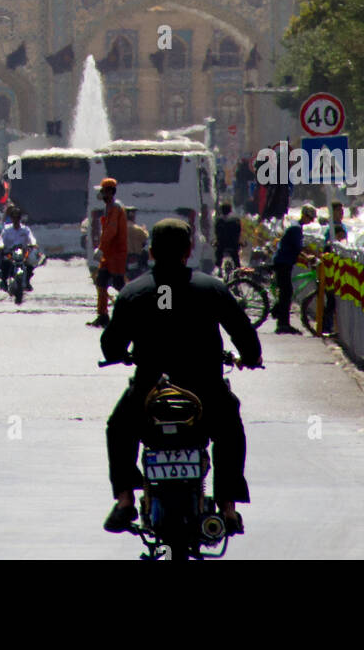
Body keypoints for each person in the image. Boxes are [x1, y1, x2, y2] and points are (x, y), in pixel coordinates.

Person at [100, 217, 263, 537]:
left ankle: (123, 501)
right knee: (230, 430)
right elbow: (244, 335)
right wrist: (251, 358)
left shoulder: (134, 292)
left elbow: (111, 346)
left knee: (118, 429)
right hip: (205, 394)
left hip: (150, 395)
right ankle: (228, 508)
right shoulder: (212, 289)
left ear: (151, 253)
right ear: (189, 251)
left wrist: (122, 354)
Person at [88, 178, 127, 328]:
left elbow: (111, 231)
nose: (102, 195)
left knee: (119, 285)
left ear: (110, 192)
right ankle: (103, 315)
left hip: (116, 254)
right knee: (101, 282)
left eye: (103, 192)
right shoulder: (110, 207)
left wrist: (102, 247)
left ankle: (131, 313)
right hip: (109, 254)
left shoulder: (116, 208)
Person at [273, 205, 317, 334]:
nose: (311, 220)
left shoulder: (296, 227)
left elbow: (300, 247)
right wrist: (307, 258)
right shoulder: (296, 229)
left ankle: (280, 316)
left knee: (286, 292)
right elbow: (298, 249)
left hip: (285, 261)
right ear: (304, 215)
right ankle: (283, 324)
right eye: (310, 217)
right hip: (283, 262)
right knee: (286, 292)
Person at [0, 208, 37, 291]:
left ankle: (27, 281)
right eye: (14, 217)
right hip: (10, 253)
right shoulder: (7, 229)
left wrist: (33, 243)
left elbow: (31, 238)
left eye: (17, 217)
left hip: (22, 252)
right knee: (4, 263)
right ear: (11, 218)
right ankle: (4, 281)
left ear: (20, 218)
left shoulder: (25, 229)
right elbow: (1, 239)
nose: (16, 219)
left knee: (30, 264)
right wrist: (1, 246)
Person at [214, 201, 241, 272]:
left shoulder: (219, 220)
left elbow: (217, 232)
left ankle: (218, 268)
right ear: (230, 210)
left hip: (222, 245)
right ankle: (238, 269)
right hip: (233, 244)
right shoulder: (236, 220)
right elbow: (238, 232)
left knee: (218, 254)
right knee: (236, 258)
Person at [125, 208, 149, 280]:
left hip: (123, 257)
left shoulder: (119, 229)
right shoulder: (138, 229)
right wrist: (144, 230)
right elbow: (144, 239)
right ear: (133, 217)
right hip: (137, 256)